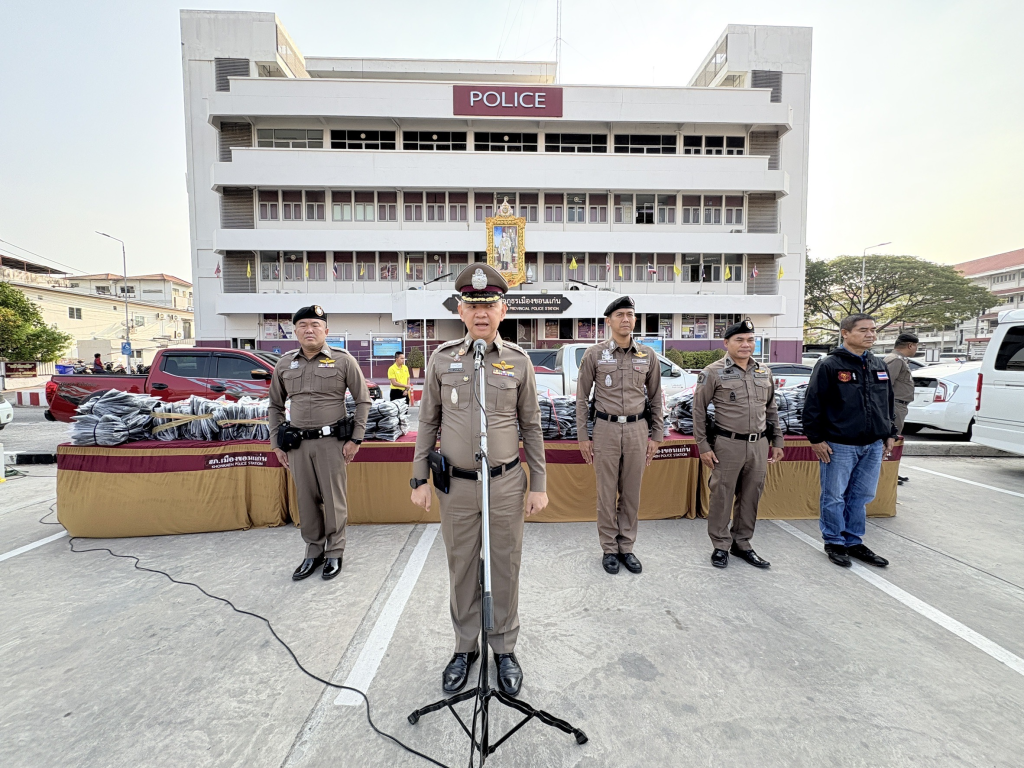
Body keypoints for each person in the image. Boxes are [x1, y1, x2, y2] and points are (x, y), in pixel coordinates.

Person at [410, 264, 548, 697]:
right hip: (457, 486)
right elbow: (427, 422)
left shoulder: (518, 361)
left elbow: (532, 426)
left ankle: (504, 648)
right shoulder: (442, 359)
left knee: (504, 566)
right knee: (462, 567)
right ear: (460, 310)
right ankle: (465, 647)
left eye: (489, 305)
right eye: (473, 305)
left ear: (503, 310)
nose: (481, 313)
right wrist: (418, 478)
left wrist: (539, 483)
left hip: (505, 483)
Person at [268, 305, 371, 582]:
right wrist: (276, 443)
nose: (309, 330)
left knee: (334, 500)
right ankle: (313, 551)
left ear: (326, 330)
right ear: (295, 332)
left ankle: (335, 551)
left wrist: (356, 439)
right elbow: (275, 406)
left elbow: (363, 401)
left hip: (331, 444)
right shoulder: (284, 364)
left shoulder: (343, 360)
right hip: (298, 445)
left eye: (315, 325)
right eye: (303, 325)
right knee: (306, 500)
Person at [575, 296, 664, 575]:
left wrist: (657, 435)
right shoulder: (594, 354)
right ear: (609, 321)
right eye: (620, 315)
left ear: (635, 319)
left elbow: (656, 398)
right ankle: (609, 549)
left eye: (630, 314)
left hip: (637, 429)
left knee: (631, 492)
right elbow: (581, 398)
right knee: (606, 493)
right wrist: (582, 436)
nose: (626, 319)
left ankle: (627, 547)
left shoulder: (647, 355)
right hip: (606, 430)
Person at [802, 314, 896, 569]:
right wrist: (816, 439)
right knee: (834, 496)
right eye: (863, 330)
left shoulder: (878, 364)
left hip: (872, 444)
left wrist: (890, 432)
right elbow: (813, 404)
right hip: (839, 444)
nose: (870, 334)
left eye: (873, 330)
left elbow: (887, 402)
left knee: (861, 495)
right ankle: (834, 541)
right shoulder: (829, 365)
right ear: (845, 333)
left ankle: (853, 541)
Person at [692, 320, 784, 569]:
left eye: (750, 340)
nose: (746, 344)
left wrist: (777, 440)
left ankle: (742, 543)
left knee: (751, 496)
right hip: (727, 444)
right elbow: (698, 411)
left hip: (759, 444)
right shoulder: (712, 372)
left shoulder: (764, 372)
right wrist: (703, 446)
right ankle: (720, 546)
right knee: (721, 496)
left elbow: (771, 409)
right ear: (726, 343)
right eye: (739, 340)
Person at [884, 333, 918, 486]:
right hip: (895, 405)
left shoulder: (898, 359)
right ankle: (887, 473)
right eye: (916, 346)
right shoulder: (896, 360)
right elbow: (885, 386)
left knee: (893, 440)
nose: (916, 349)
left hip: (899, 405)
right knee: (891, 440)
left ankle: (892, 471)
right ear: (910, 345)